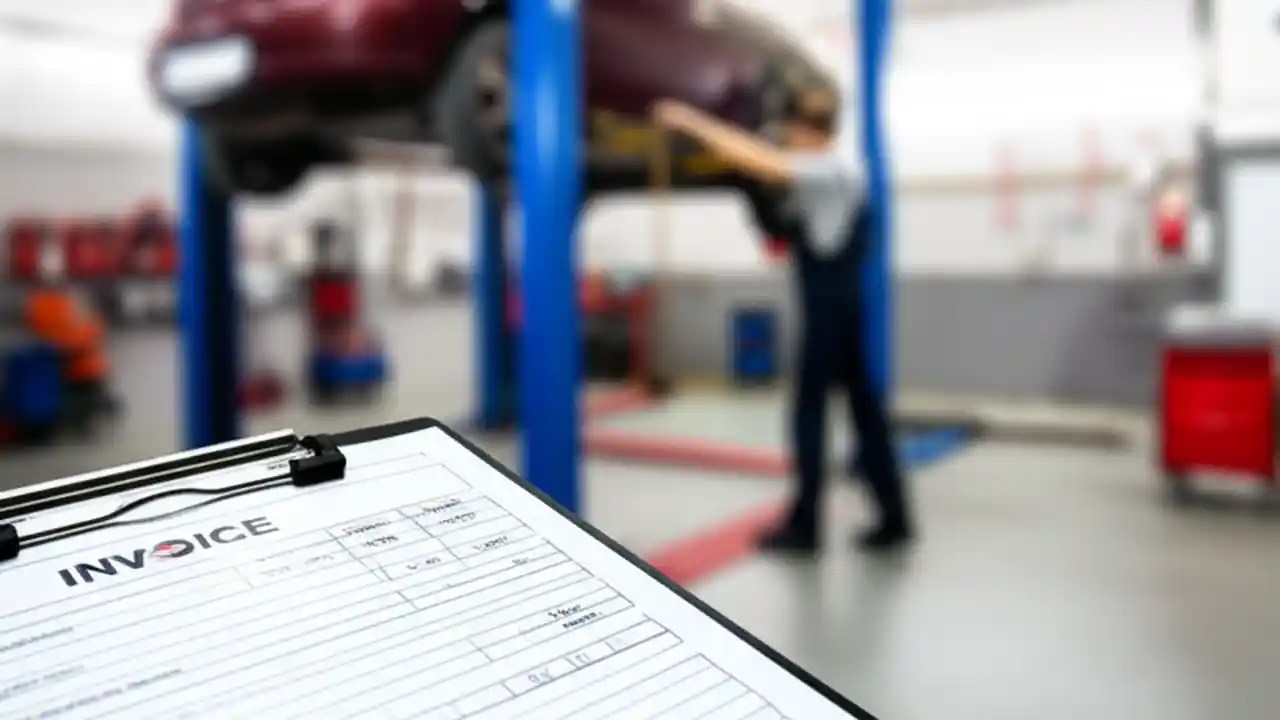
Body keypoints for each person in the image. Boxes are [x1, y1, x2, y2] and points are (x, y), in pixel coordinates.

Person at [652, 89, 914, 554]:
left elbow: (760, 163)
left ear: (805, 129)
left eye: (790, 132)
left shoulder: (824, 169)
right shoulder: (843, 169)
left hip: (830, 305)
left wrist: (690, 121)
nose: (787, 140)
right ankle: (894, 517)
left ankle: (805, 528)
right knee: (864, 409)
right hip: (843, 301)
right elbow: (786, 218)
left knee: (809, 411)